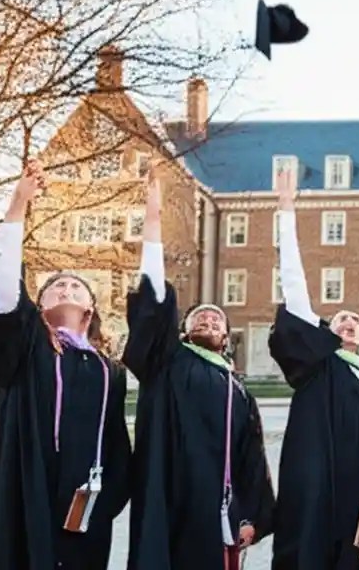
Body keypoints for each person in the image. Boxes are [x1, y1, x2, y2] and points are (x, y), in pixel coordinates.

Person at [0, 159, 131, 570]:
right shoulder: (29, 347)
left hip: (84, 502)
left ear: (91, 308)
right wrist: (18, 205)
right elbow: (5, 289)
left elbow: (115, 439)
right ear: (39, 306)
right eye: (57, 285)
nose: (67, 287)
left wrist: (106, 498)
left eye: (76, 285)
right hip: (31, 492)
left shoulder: (107, 370)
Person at [123, 167, 275, 570]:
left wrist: (251, 517)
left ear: (226, 337)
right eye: (199, 318)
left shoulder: (237, 388)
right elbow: (154, 304)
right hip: (169, 499)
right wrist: (153, 221)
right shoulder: (168, 360)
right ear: (183, 331)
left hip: (218, 512)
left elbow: (250, 458)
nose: (208, 321)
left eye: (217, 320)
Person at [268, 170, 359, 569]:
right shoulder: (315, 367)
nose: (348, 320)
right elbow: (296, 290)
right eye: (339, 318)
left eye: (356, 319)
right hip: (309, 518)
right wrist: (286, 211)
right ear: (323, 333)